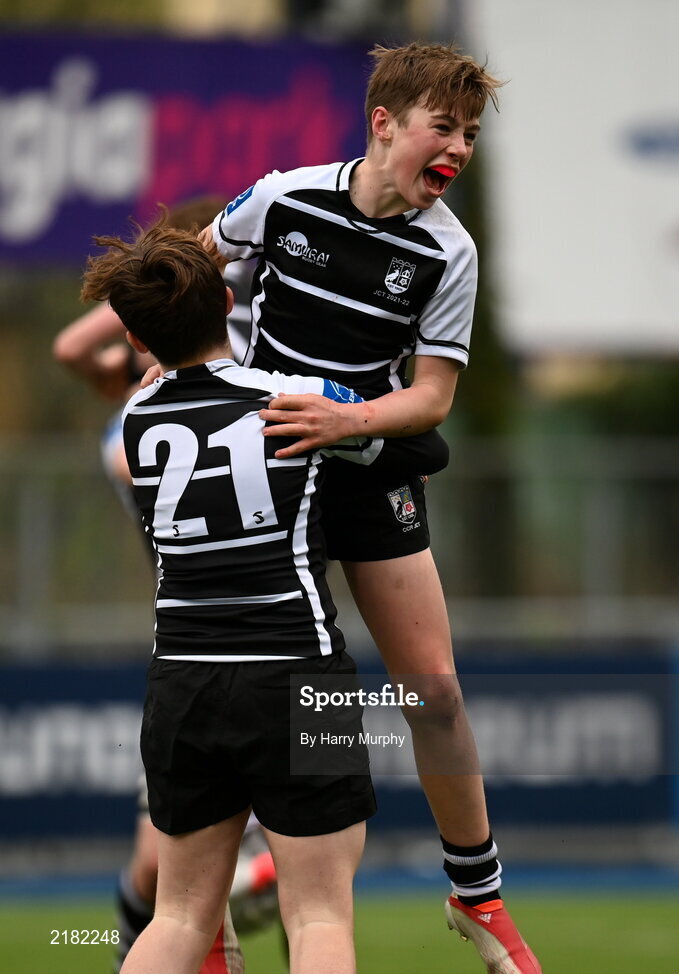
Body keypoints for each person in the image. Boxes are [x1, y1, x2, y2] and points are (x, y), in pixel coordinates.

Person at [194, 41, 541, 974]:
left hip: (363, 471)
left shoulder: (449, 251)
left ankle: (478, 896)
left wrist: (349, 416)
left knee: (432, 690)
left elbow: (430, 399)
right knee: (281, 696)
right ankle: (214, 916)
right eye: (444, 127)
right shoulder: (282, 196)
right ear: (384, 124)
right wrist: (179, 364)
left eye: (469, 135)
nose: (458, 148)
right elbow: (196, 274)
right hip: (267, 483)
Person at [80, 213, 419, 974]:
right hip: (299, 673)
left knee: (175, 918)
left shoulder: (133, 421)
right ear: (230, 303)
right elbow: (400, 438)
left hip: (183, 682)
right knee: (320, 916)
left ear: (138, 341)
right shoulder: (297, 397)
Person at [53, 198, 278, 974]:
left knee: (187, 892)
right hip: (253, 646)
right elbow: (72, 346)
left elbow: (78, 346)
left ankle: (212, 919)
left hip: (196, 659)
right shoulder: (197, 401)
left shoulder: (146, 411)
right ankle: (194, 920)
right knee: (202, 887)